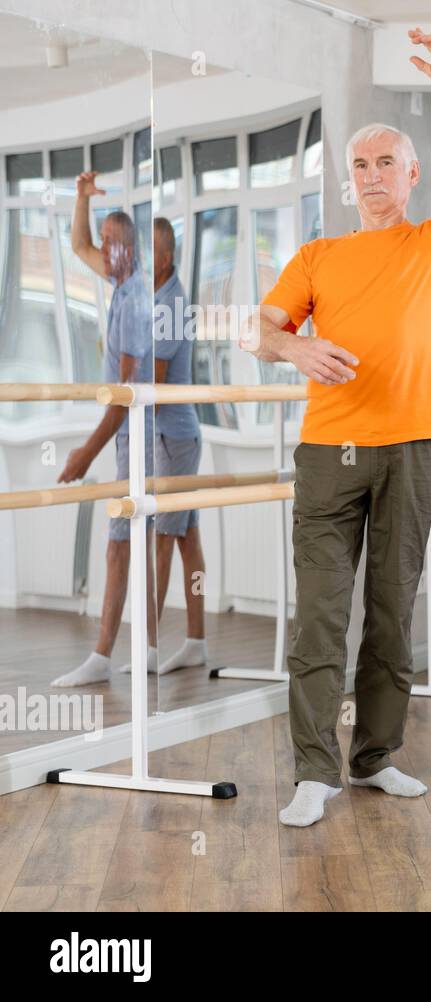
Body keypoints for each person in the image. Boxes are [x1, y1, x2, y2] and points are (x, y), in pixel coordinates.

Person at [240, 30, 431, 828]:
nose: (372, 178)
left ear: (412, 175)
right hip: (331, 451)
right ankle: (313, 772)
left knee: (394, 608)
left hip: (414, 446)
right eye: (360, 166)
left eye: (385, 164)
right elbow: (257, 330)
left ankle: (375, 758)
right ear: (348, 181)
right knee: (322, 612)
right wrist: (295, 343)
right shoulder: (317, 256)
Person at [52, 171, 156, 687]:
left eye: (114, 245)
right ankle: (113, 653)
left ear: (131, 251)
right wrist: (80, 198)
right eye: (106, 243)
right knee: (128, 540)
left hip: (138, 436)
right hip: (127, 435)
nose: (105, 251)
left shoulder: (134, 299)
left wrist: (83, 456)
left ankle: (103, 654)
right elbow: (78, 243)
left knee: (122, 541)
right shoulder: (119, 282)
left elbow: (124, 398)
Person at [152, 215, 208, 676]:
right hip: (173, 435)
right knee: (187, 537)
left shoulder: (172, 304)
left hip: (176, 437)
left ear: (166, 257)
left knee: (163, 539)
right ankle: (196, 641)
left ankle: (149, 646)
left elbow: (154, 383)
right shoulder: (155, 298)